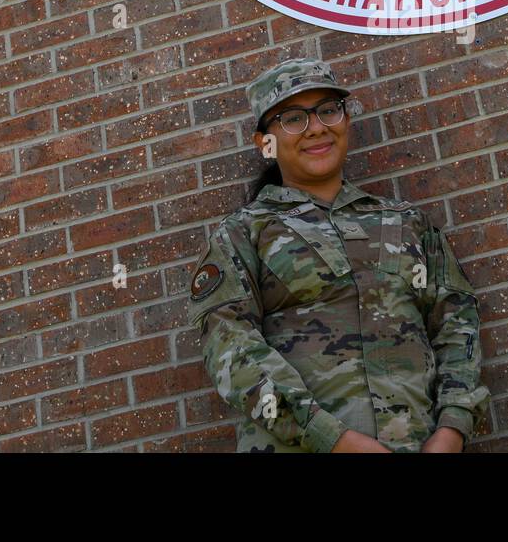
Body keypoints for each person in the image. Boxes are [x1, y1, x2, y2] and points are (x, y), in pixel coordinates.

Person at [187, 56, 491, 452]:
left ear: (346, 119)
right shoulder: (243, 235)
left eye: (328, 111)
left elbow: (457, 324)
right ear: (266, 142)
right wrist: (331, 438)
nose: (316, 128)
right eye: (293, 118)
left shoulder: (407, 223)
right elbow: (231, 349)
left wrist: (453, 427)